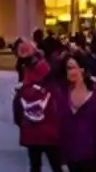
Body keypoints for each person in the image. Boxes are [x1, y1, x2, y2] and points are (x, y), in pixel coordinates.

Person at [56, 53, 96, 172]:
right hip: (70, 158)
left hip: (94, 160)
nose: (69, 72)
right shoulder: (62, 95)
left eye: (72, 67)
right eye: (67, 68)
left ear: (82, 69)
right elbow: (60, 129)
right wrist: (62, 160)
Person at [14, 40, 61, 172]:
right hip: (41, 126)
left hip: (40, 125)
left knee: (41, 163)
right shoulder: (42, 69)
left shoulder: (41, 71)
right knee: (50, 163)